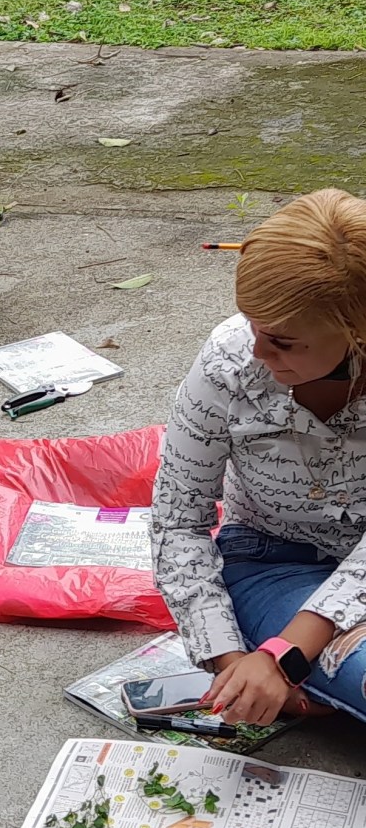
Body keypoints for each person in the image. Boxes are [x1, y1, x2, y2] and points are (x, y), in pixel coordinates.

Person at [151, 188, 366, 728]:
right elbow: (178, 520)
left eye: (284, 342)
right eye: (251, 322)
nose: (256, 352)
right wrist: (238, 669)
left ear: (357, 333)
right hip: (275, 560)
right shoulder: (227, 363)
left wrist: (283, 656)